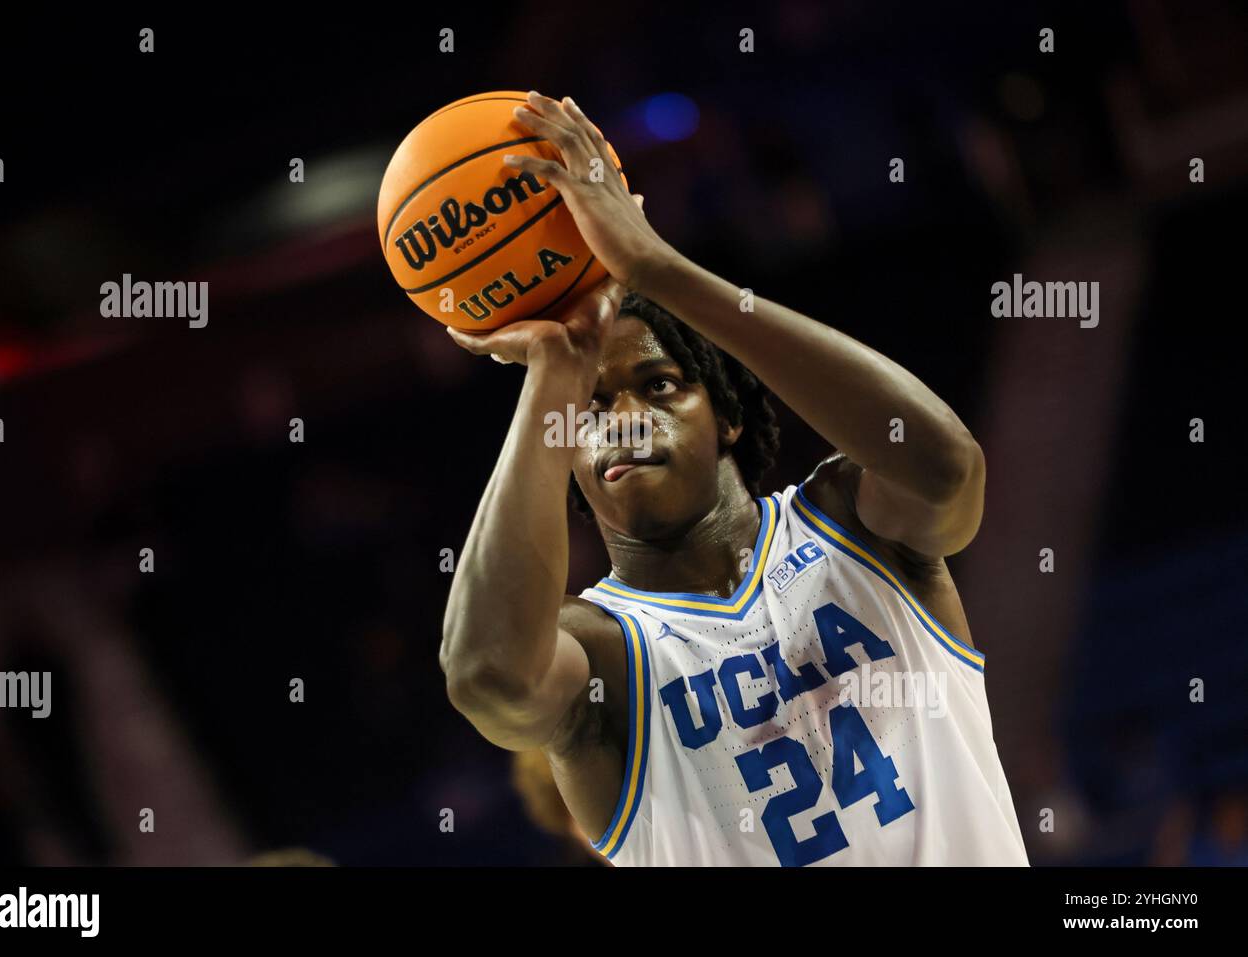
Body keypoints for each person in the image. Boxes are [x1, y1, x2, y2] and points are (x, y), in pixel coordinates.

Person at [439, 91, 1028, 866]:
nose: (620, 418)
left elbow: (946, 466)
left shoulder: (854, 524)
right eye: (591, 408)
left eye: (657, 384)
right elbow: (486, 674)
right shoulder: (605, 650)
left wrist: (657, 267)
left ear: (727, 415)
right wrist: (553, 368)